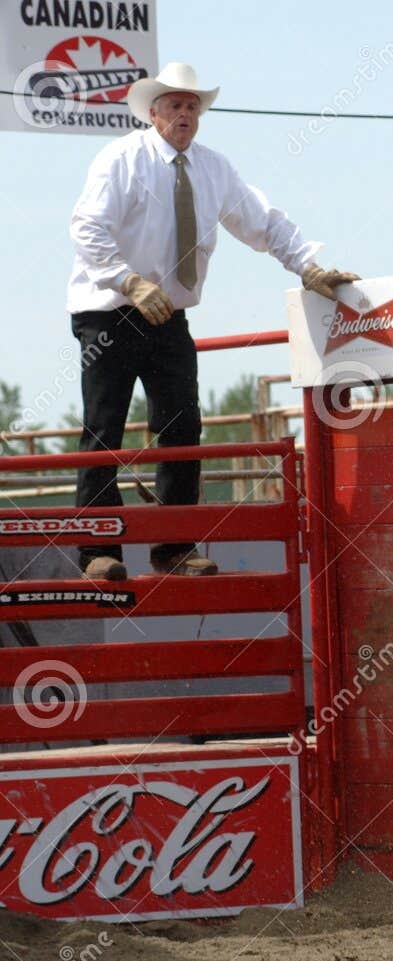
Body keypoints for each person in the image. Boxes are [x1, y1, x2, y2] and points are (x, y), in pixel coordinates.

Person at [69, 62, 358, 581]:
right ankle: (96, 552)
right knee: (104, 427)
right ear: (153, 113)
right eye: (175, 105)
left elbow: (262, 221)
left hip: (167, 314)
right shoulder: (121, 159)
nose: (184, 113)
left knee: (182, 425)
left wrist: (307, 265)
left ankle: (174, 547)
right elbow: (88, 227)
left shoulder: (212, 169)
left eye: (191, 106)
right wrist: (129, 281)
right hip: (108, 312)